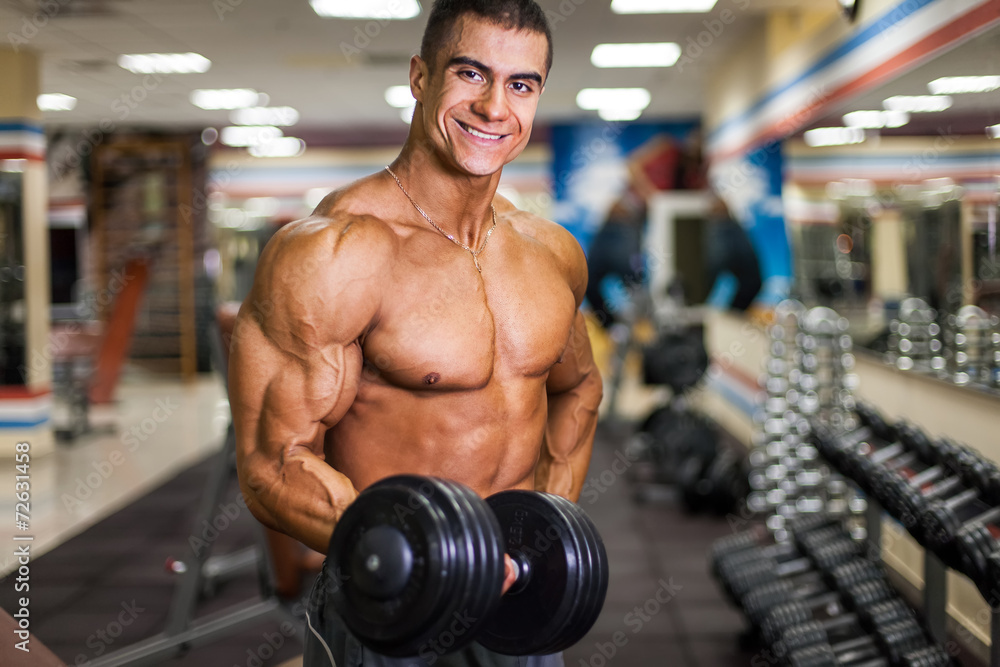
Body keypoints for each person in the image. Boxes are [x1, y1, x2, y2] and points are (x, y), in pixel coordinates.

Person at [228, 1, 603, 666]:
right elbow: (271, 463)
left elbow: (579, 390)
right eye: (471, 74)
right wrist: (427, 553)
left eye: (522, 85)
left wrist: (546, 527)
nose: (495, 107)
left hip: (519, 606)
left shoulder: (551, 253)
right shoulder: (337, 252)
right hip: (391, 609)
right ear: (420, 77)